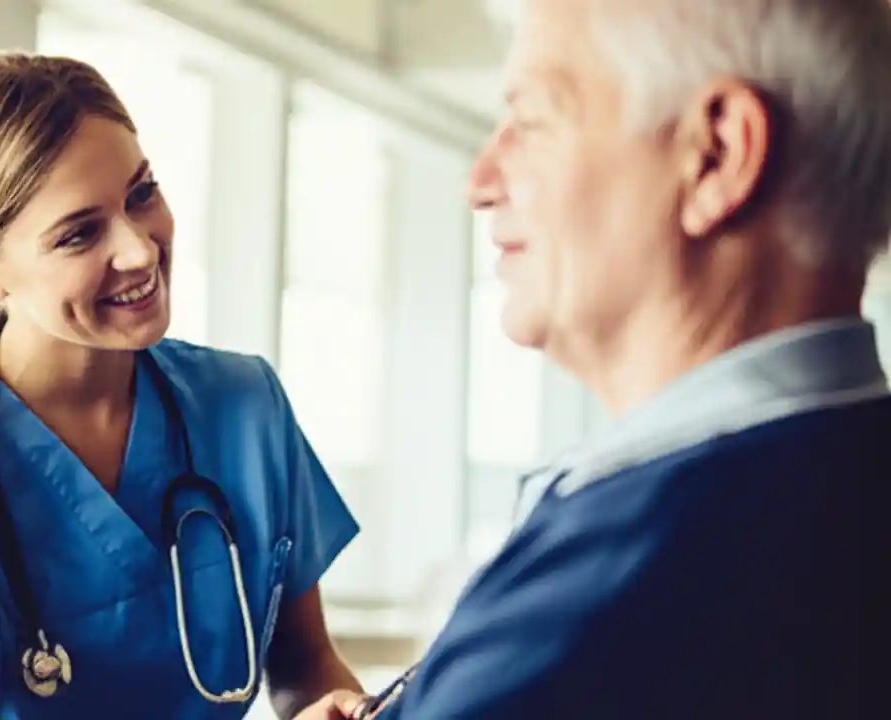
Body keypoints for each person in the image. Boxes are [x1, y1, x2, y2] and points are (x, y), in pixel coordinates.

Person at [300, 0, 891, 717]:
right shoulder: (832, 498)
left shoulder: (619, 599)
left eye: (534, 121)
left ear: (714, 157)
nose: (480, 180)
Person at [0, 51, 362, 720]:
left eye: (142, 194)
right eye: (79, 234)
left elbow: (305, 667)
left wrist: (334, 708)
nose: (139, 249)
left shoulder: (244, 406)